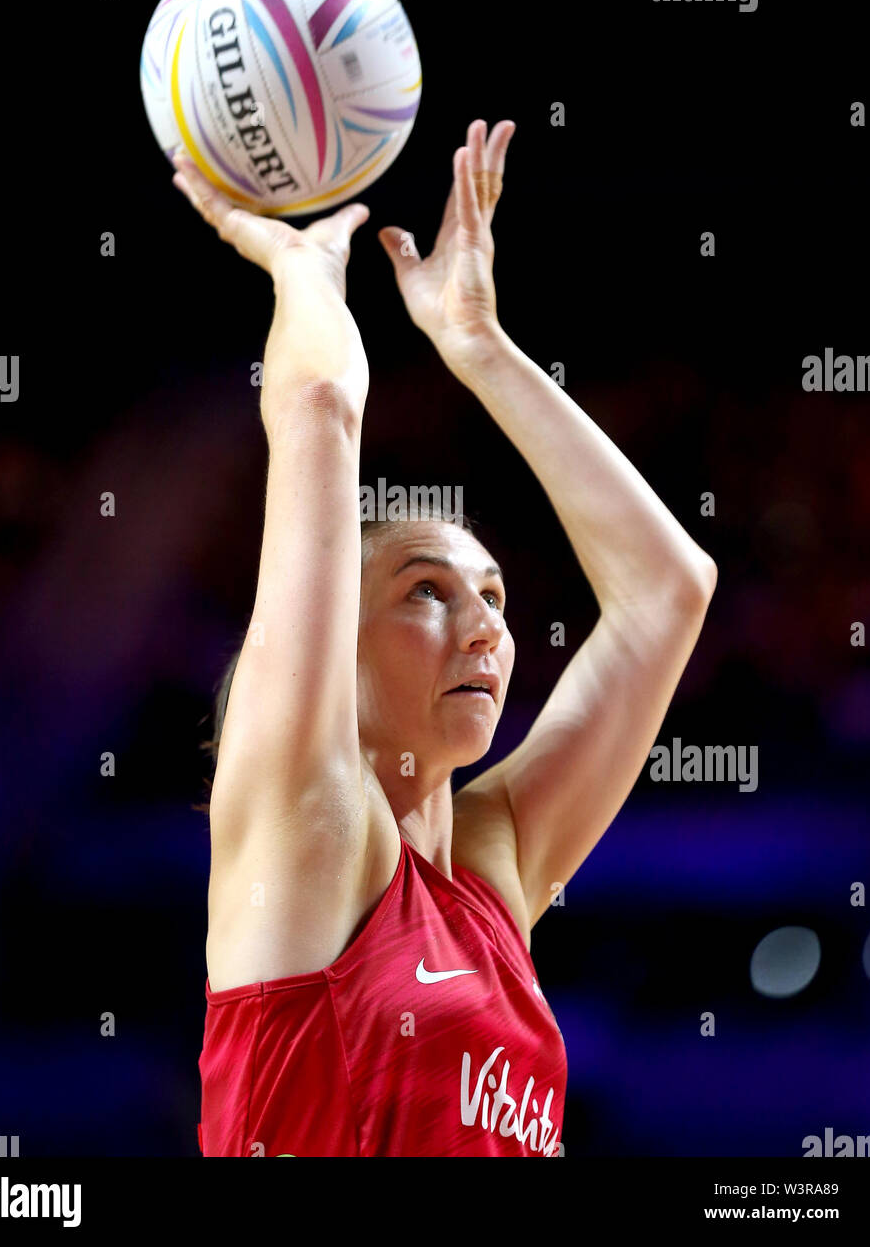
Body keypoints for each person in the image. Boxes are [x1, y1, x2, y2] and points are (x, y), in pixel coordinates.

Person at [172, 120, 717, 1156]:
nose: (483, 626)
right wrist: (300, 268)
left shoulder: (491, 862)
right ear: (331, 644)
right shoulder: (309, 830)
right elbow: (323, 406)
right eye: (426, 590)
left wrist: (477, 343)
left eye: (497, 596)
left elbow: (665, 588)